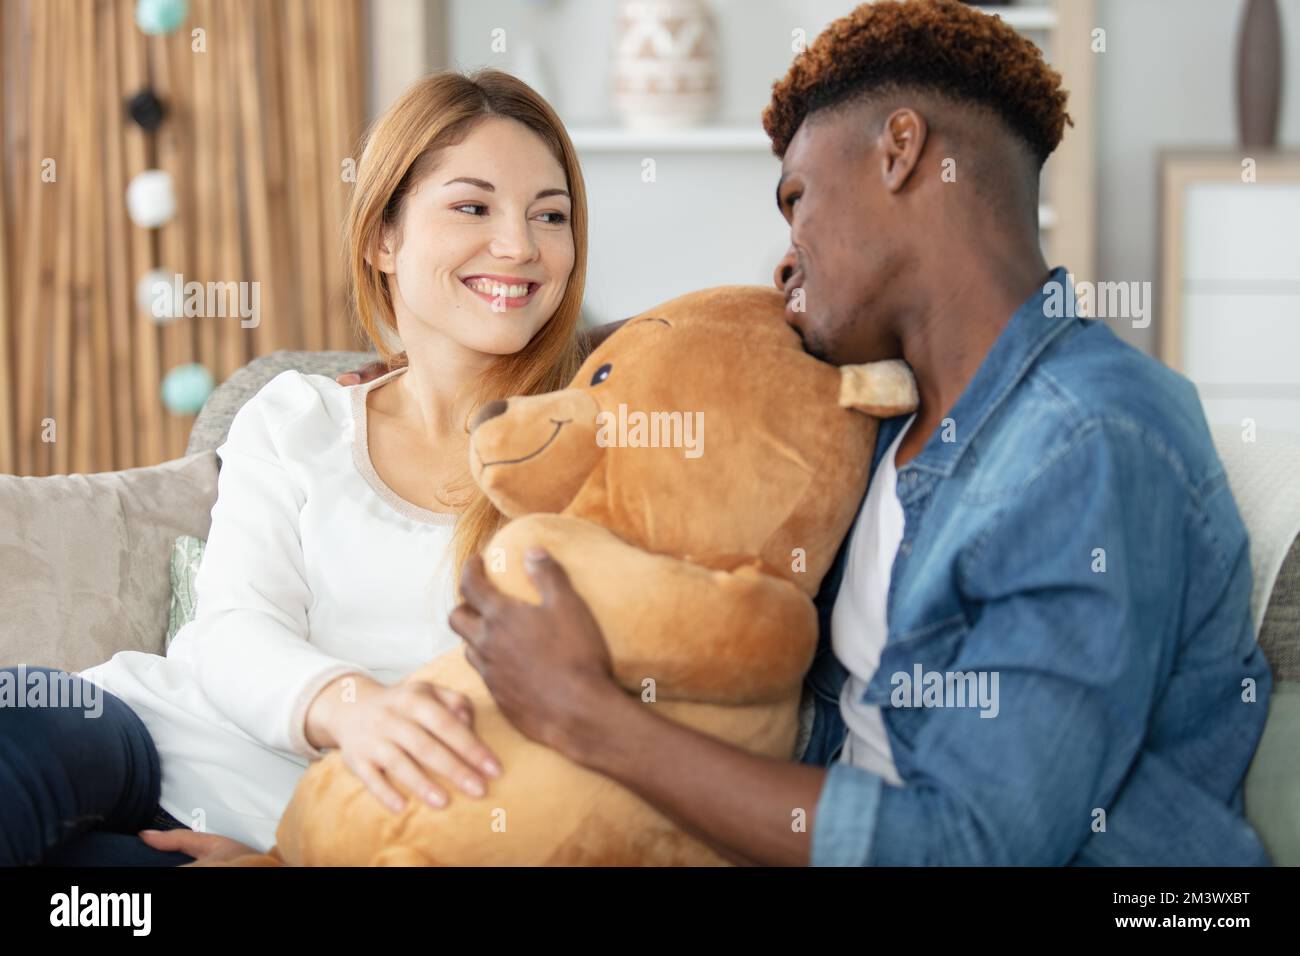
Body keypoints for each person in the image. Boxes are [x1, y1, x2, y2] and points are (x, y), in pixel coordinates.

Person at [435, 0, 1274, 865]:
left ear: (901, 151)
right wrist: (422, 372)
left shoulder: (1089, 440)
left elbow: (973, 846)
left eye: (798, 200)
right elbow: (689, 375)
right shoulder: (884, 421)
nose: (785, 255)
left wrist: (588, 717)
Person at [0, 68, 588, 866]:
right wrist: (354, 708)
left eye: (549, 215)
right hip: (145, 731)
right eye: (472, 206)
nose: (519, 245)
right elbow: (233, 628)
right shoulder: (297, 415)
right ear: (384, 237)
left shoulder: (592, 456)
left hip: (294, 833)